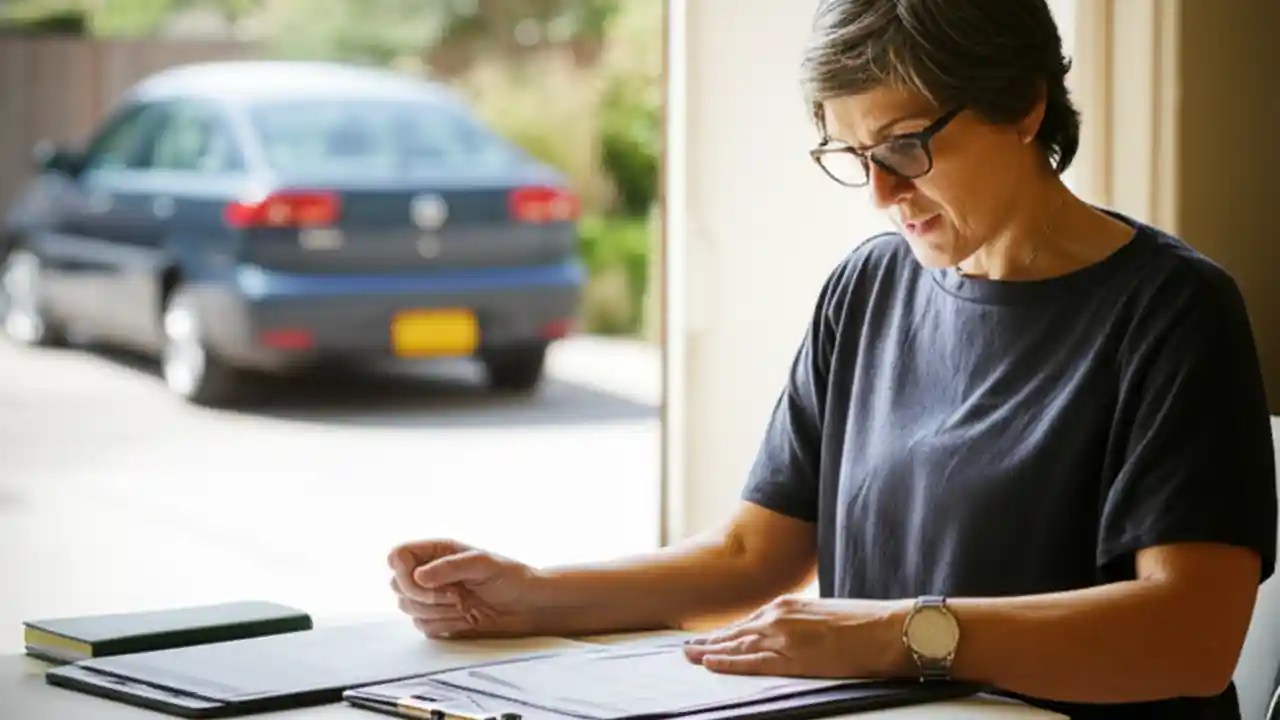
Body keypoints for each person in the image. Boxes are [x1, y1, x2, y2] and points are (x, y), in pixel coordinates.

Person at [388, 1, 1277, 717]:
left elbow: (1190, 637)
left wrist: (896, 636)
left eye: (904, 146)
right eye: (855, 157)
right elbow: (752, 556)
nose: (883, 193)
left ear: (1024, 105)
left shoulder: (1173, 310)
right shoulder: (869, 287)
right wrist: (533, 594)